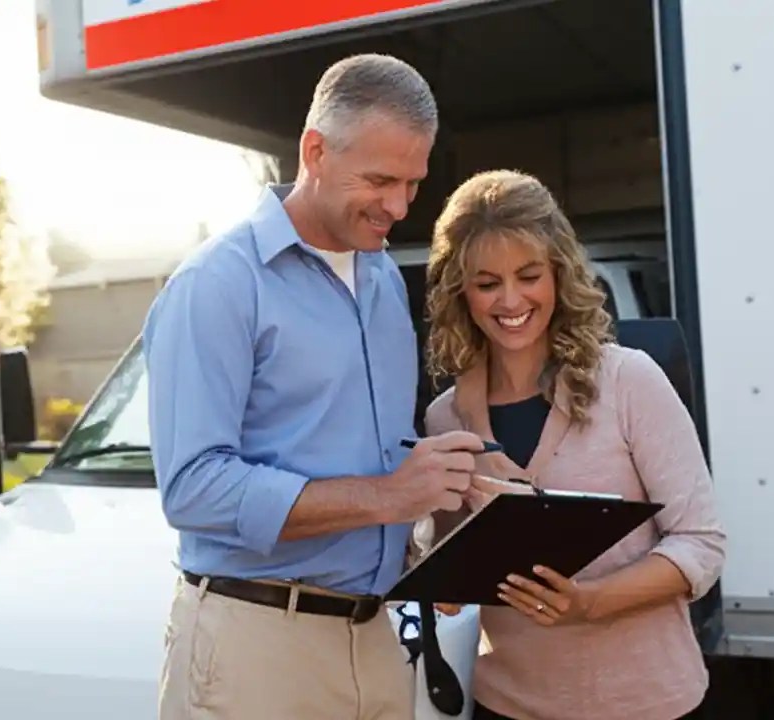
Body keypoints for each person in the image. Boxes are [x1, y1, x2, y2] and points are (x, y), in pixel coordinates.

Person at [142, 53, 486, 720]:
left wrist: (440, 510)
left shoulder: (383, 280)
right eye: (381, 179)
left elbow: (377, 461)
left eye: (412, 182)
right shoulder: (218, 283)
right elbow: (193, 489)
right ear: (315, 150)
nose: (399, 205)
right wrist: (389, 495)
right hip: (256, 648)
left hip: (374, 641)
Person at [420, 169, 727, 720]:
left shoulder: (629, 380)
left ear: (559, 274)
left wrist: (588, 604)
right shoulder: (445, 419)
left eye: (529, 275)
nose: (510, 300)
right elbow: (448, 573)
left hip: (649, 705)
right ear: (459, 292)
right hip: (508, 705)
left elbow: (701, 545)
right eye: (487, 283)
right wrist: (441, 582)